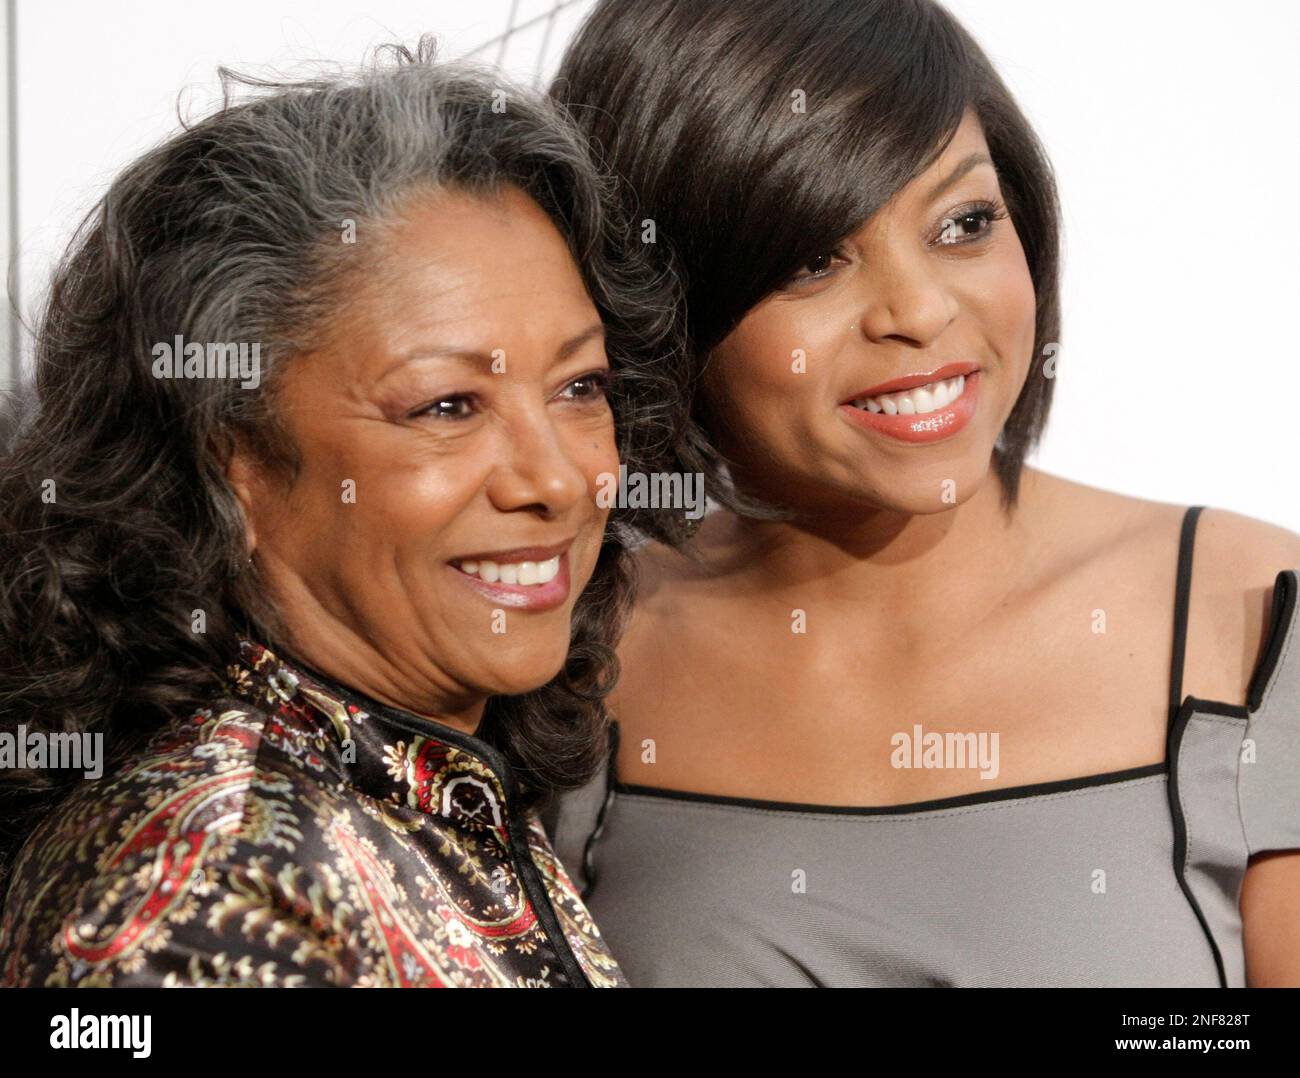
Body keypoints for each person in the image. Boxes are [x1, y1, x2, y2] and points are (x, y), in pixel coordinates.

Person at [543, 0, 1300, 987]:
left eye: (962, 223)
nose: (918, 311)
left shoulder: (1249, 619)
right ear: (661, 296)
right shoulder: (570, 649)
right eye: (814, 259)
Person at [0, 41, 687, 987]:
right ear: (229, 461)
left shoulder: (438, 786)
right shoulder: (205, 902)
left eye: (579, 387)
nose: (561, 482)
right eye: (448, 407)